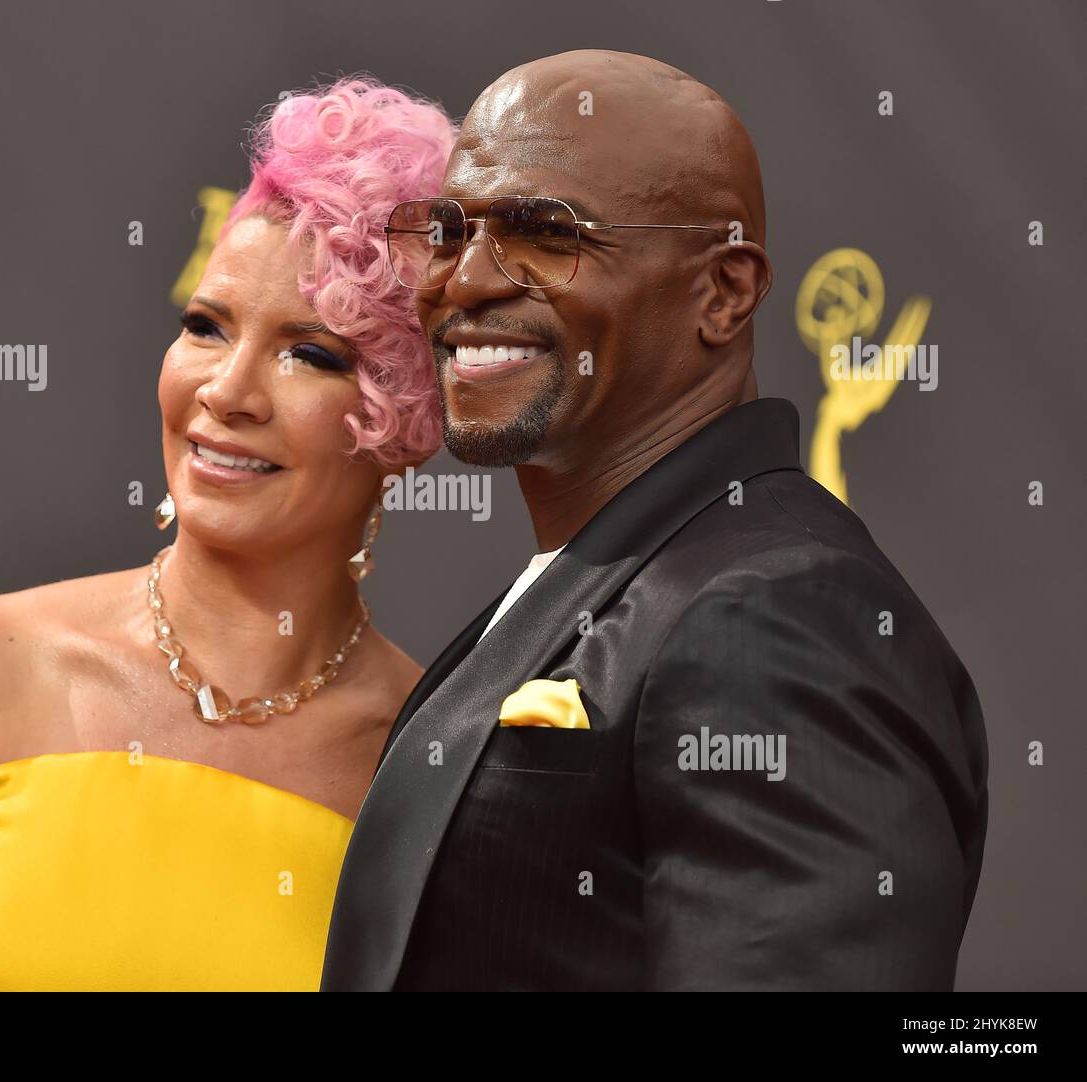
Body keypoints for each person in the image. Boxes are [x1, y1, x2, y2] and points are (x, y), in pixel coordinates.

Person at [321, 50, 989, 991]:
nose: (463, 281)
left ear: (722, 292)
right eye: (447, 229)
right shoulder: (615, 575)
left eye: (545, 233)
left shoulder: (776, 611)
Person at [0, 75, 456, 991]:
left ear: (402, 414)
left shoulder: (432, 779)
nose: (226, 392)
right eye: (206, 327)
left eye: (310, 353)